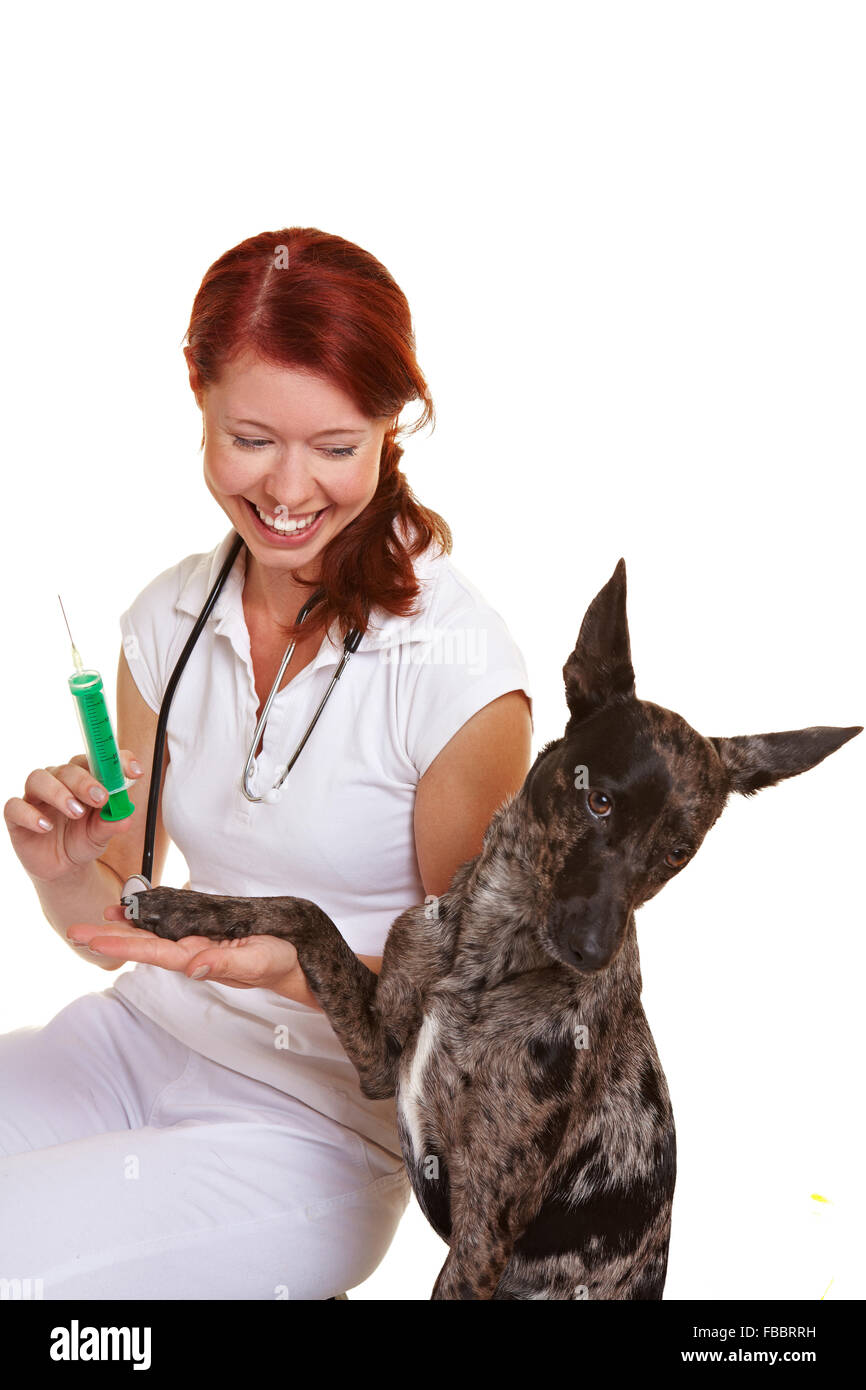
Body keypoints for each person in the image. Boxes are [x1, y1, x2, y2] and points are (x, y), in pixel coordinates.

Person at [0, 227, 533, 1300]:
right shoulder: (165, 620)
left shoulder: (457, 674)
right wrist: (64, 867)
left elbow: (499, 1022)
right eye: (249, 437)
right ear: (195, 397)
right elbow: (118, 925)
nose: (289, 488)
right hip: (134, 1044)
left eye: (335, 446)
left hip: (313, 1125)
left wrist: (299, 965)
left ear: (392, 428)